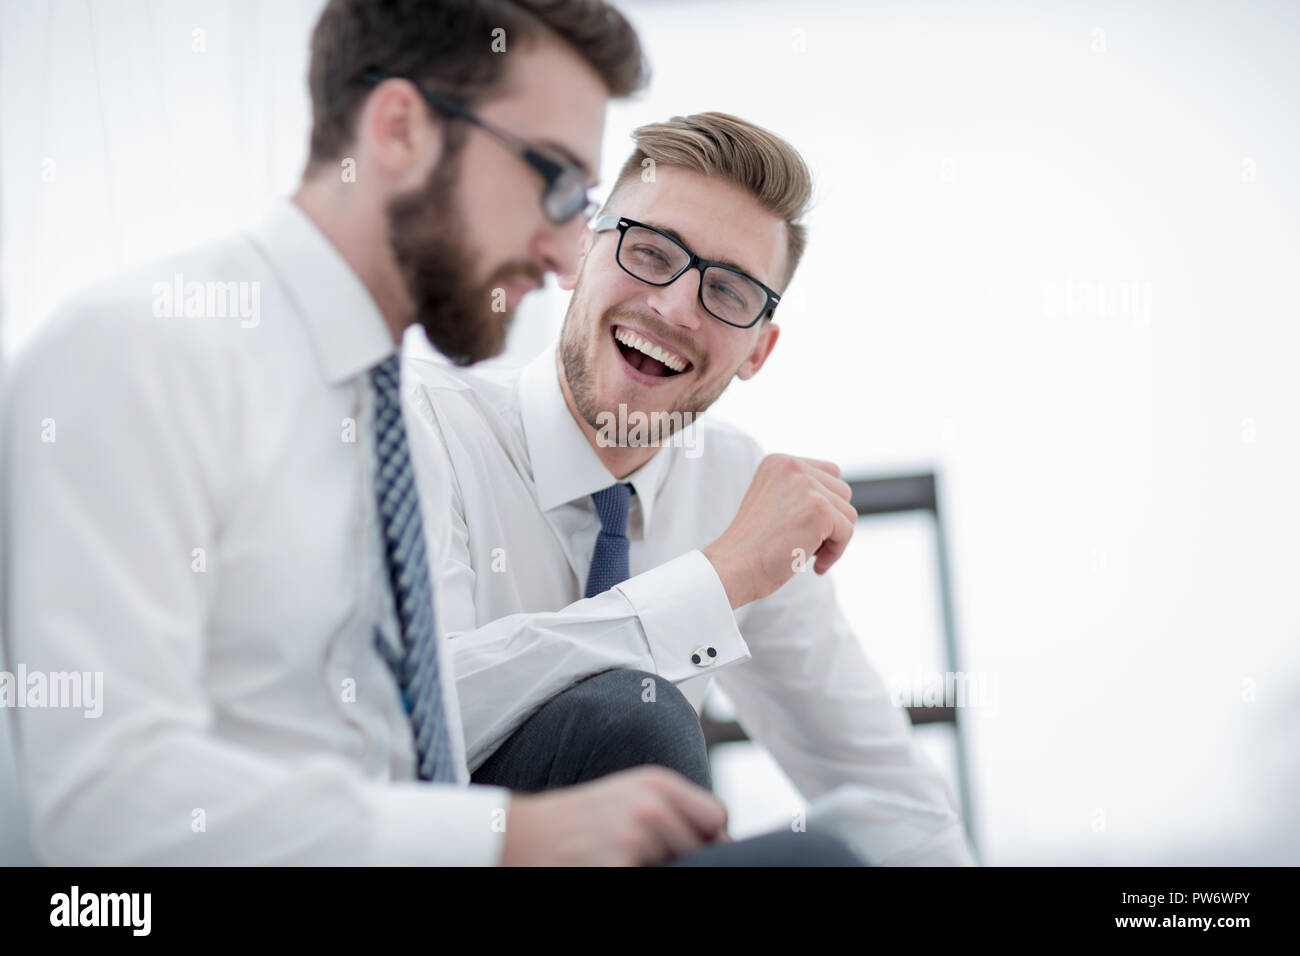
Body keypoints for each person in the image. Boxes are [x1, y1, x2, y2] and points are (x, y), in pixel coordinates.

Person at [2, 0, 856, 867]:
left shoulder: (376, 421)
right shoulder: (136, 355)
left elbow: (395, 752)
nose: (570, 255)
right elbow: (95, 816)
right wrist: (511, 837)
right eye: (551, 180)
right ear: (402, 130)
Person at [403, 111, 974, 864]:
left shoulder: (738, 485)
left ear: (758, 350)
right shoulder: (425, 427)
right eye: (649, 252)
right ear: (582, 250)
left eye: (730, 293)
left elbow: (899, 803)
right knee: (633, 715)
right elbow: (411, 737)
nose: (674, 307)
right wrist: (714, 580)